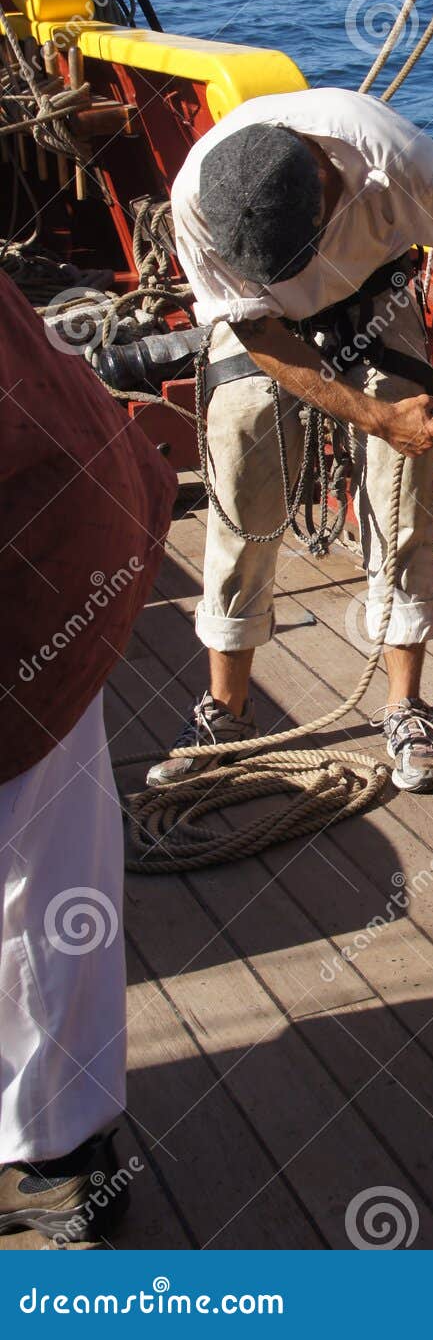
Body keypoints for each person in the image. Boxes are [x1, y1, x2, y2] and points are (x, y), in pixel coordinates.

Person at [147, 88, 433, 792]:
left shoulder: (397, 160)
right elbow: (256, 329)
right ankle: (225, 709)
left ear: (325, 189)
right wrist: (364, 413)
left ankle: (405, 705)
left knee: (401, 465)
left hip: (374, 292)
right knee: (241, 456)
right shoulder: (196, 201)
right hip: (262, 323)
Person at [0, 273, 175, 1243]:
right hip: (79, 520)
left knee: (29, 867)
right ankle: (64, 1142)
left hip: (37, 570)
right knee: (51, 855)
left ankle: (52, 1161)